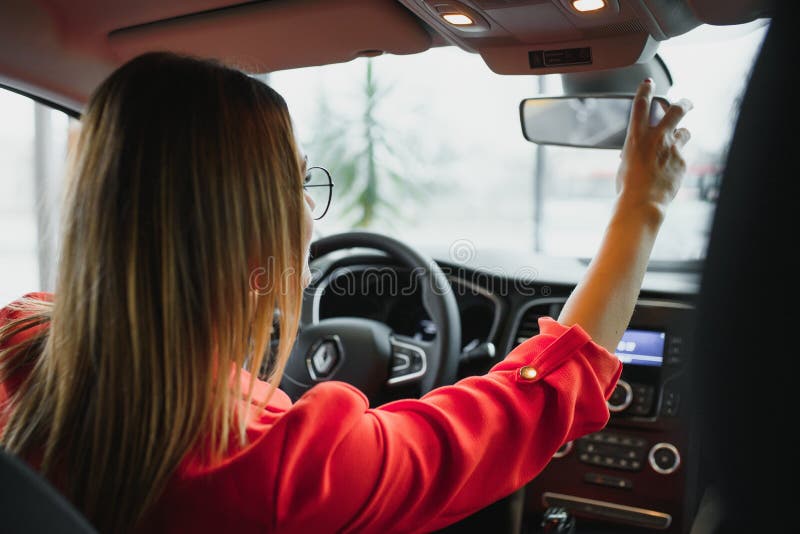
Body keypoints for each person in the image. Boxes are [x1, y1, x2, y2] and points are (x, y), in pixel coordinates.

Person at [0, 52, 692, 533]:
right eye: (298, 183)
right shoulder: (276, 472)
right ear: (246, 234)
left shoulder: (18, 341)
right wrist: (641, 208)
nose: (310, 208)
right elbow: (523, 405)